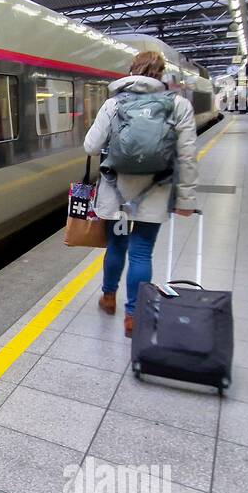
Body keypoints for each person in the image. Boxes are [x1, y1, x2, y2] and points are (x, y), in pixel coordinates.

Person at [84, 51, 198, 337]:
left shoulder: (114, 103)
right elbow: (186, 157)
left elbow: (90, 146)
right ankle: (133, 316)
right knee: (141, 253)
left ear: (131, 70)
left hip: (117, 193)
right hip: (155, 191)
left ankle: (109, 298)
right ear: (161, 73)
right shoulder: (178, 105)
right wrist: (185, 201)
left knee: (117, 246)